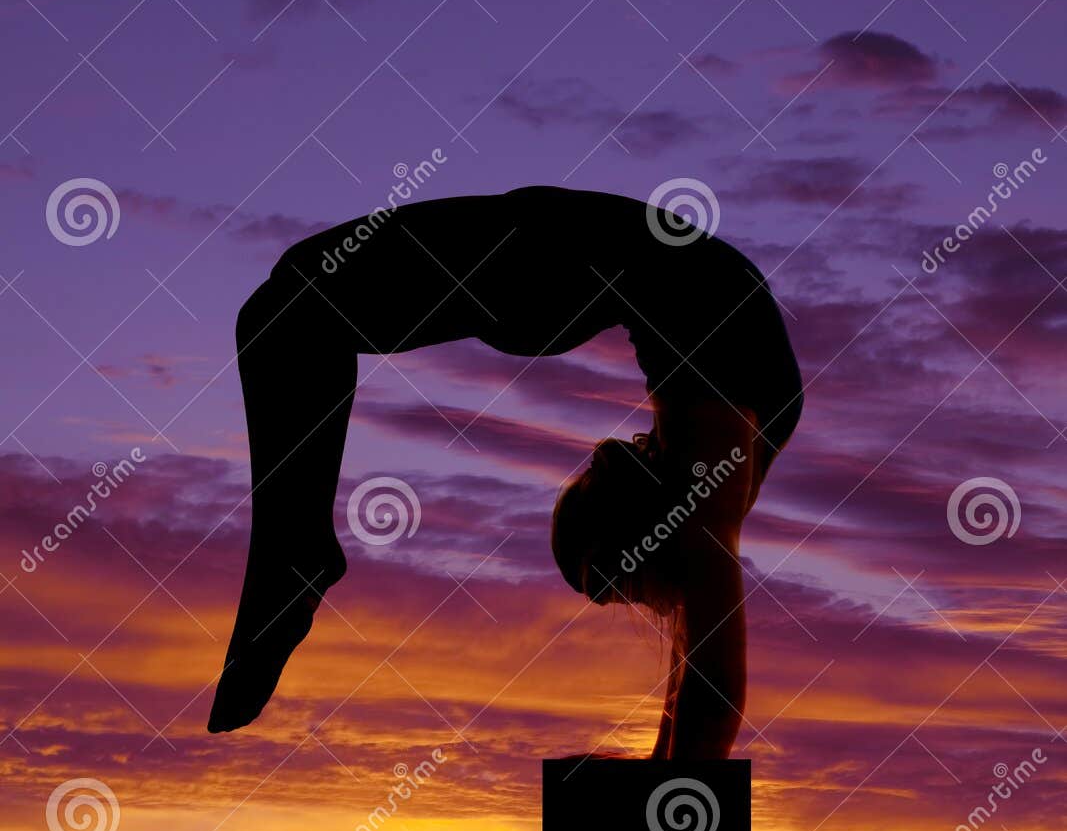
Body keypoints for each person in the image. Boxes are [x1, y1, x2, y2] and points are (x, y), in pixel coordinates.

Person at [207, 186, 802, 755]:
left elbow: (693, 647)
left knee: (289, 307)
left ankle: (295, 552)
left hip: (564, 263)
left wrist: (658, 777)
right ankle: (295, 554)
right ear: (633, 531)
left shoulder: (711, 478)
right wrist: (673, 795)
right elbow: (711, 682)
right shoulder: (706, 486)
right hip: (558, 262)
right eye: (616, 581)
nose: (648, 603)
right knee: (287, 307)